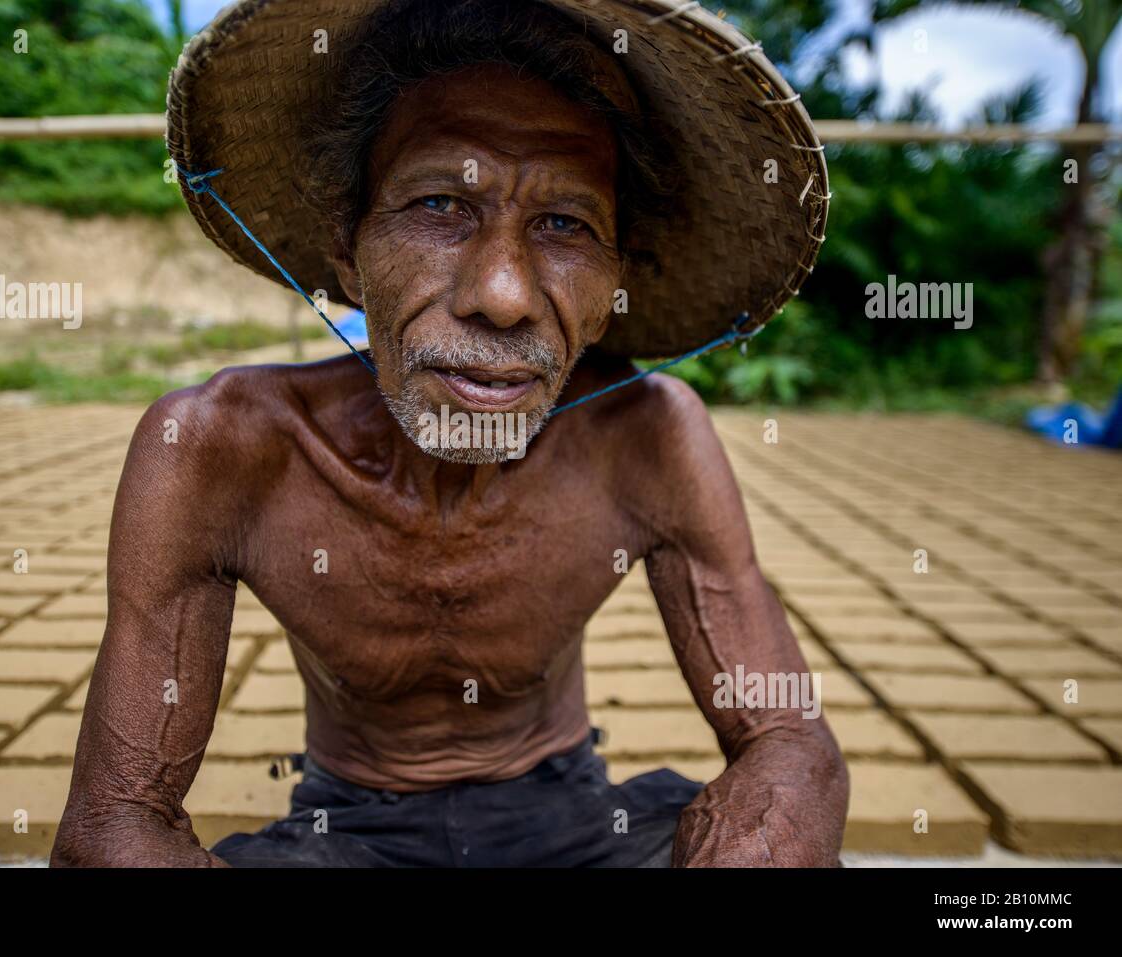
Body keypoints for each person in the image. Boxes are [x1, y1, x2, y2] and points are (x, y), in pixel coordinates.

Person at [52, 0, 845, 868]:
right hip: (345, 826)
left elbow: (788, 734)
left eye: (564, 225)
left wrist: (776, 814)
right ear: (346, 250)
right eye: (440, 204)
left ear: (615, 276)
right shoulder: (214, 449)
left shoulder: (650, 436)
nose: (501, 293)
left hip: (576, 815)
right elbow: (113, 822)